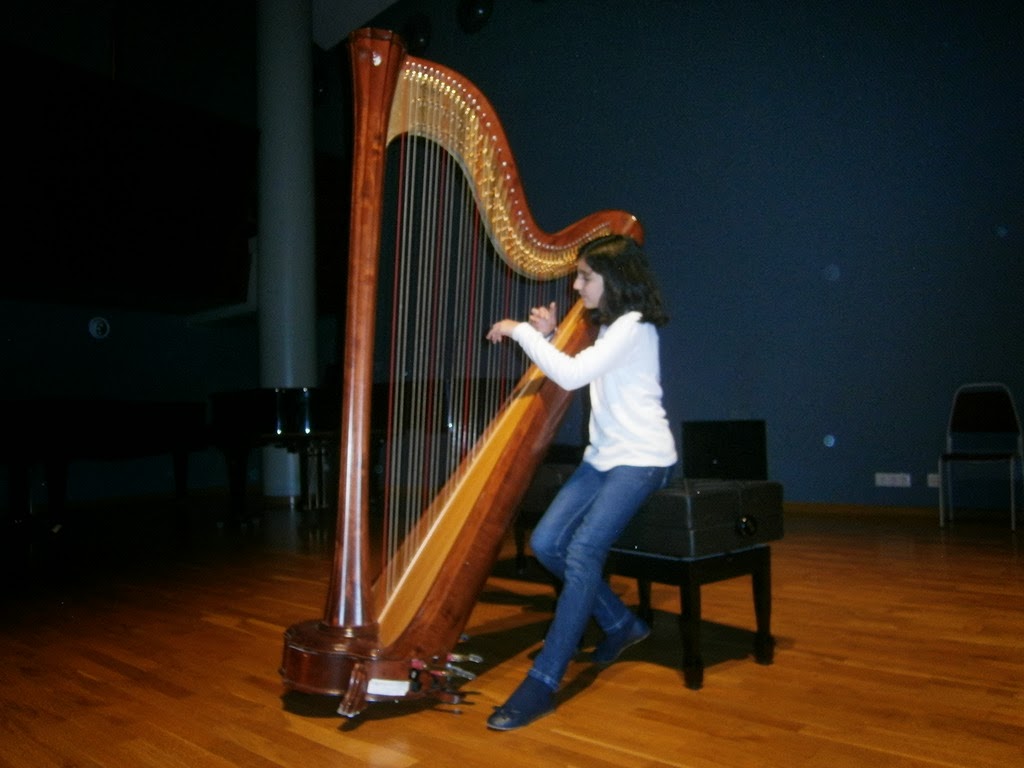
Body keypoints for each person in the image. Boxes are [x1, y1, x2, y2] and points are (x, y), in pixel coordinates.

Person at [484, 233, 677, 731]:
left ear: (613, 279)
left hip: (642, 460)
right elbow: (579, 371)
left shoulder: (633, 326)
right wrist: (547, 339)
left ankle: (543, 683)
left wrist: (517, 330)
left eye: (585, 277)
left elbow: (569, 377)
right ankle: (620, 624)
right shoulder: (613, 326)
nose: (576, 285)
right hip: (604, 459)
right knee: (548, 543)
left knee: (583, 551)